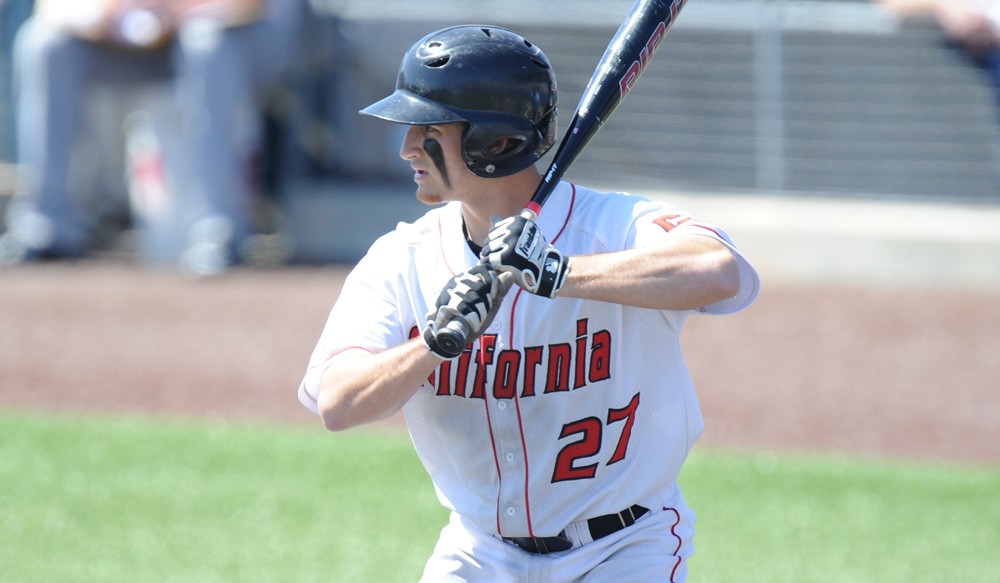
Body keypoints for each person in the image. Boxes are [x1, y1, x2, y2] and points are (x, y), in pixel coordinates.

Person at [297, 25, 760, 582]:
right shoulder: (402, 259)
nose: (407, 148)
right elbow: (339, 403)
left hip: (624, 545)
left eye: (429, 130)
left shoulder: (608, 226)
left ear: (494, 142)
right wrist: (433, 345)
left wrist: (560, 273)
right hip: (479, 552)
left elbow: (719, 269)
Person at [0, 0, 314, 275]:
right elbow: (54, 8)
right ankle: (47, 228)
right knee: (45, 44)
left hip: (243, 31)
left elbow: (245, 5)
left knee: (205, 43)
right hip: (142, 39)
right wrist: (112, 14)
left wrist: (170, 10)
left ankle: (219, 233)